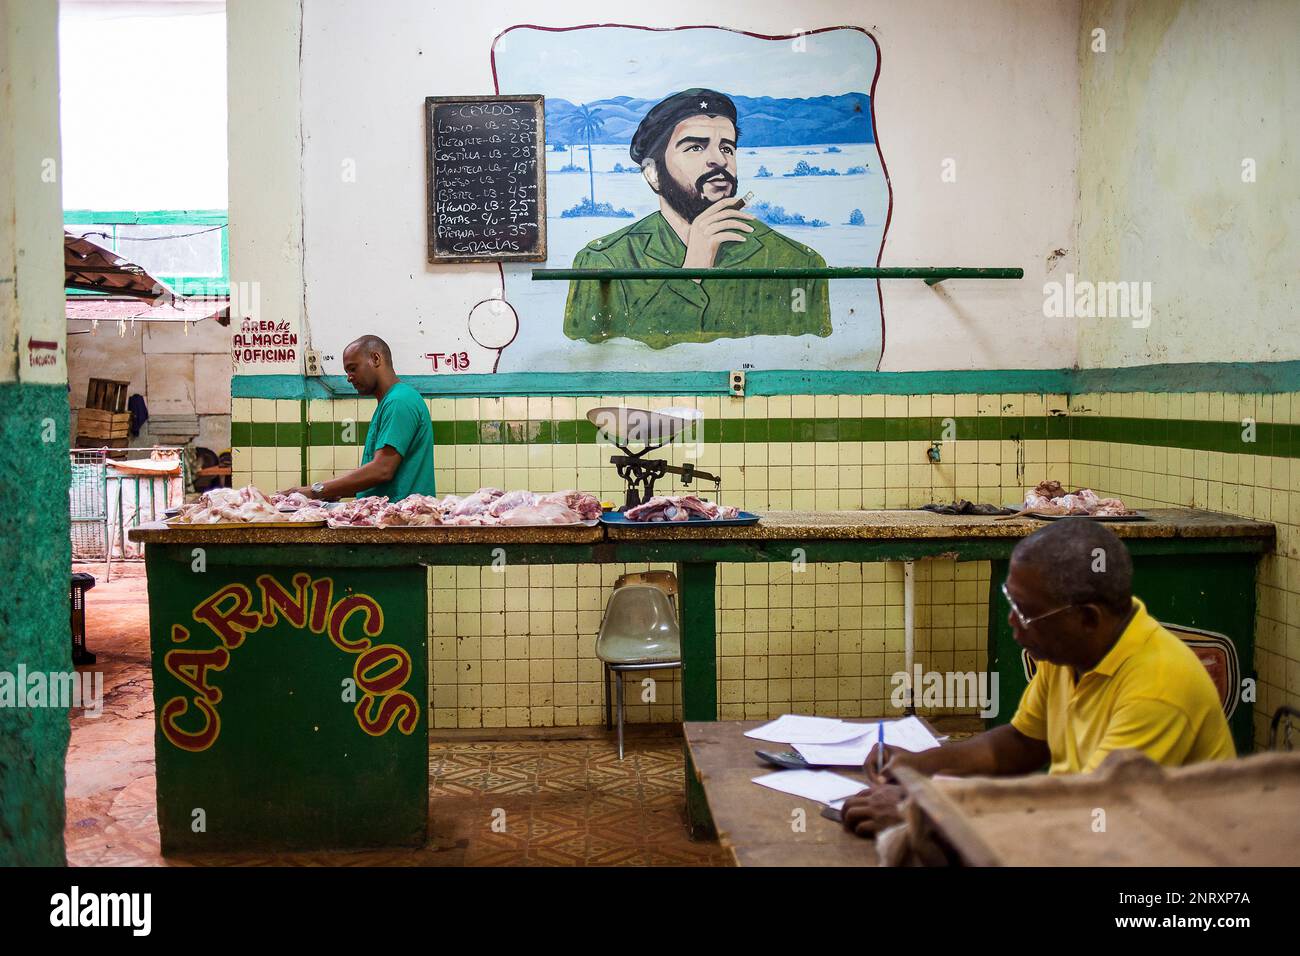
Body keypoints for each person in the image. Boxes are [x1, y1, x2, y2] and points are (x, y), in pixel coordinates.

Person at [842, 518, 1235, 839]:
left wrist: (927, 812)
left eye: (1026, 612)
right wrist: (919, 766)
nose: (1013, 622)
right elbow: (1021, 744)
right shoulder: (1068, 653)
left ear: (1087, 618)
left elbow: (1091, 813)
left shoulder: (1158, 689)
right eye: (1010, 602)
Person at [563, 88, 831, 350]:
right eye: (695, 147)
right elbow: (590, 370)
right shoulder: (602, 262)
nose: (718, 160)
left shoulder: (799, 263)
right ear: (652, 173)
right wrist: (694, 268)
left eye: (727, 148)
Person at [280, 335, 436, 501]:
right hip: (390, 516)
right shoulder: (392, 401)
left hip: (402, 519)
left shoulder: (399, 401)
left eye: (353, 368)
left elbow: (382, 470)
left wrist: (316, 491)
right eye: (347, 371)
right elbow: (375, 477)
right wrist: (334, 490)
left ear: (376, 359)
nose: (349, 377)